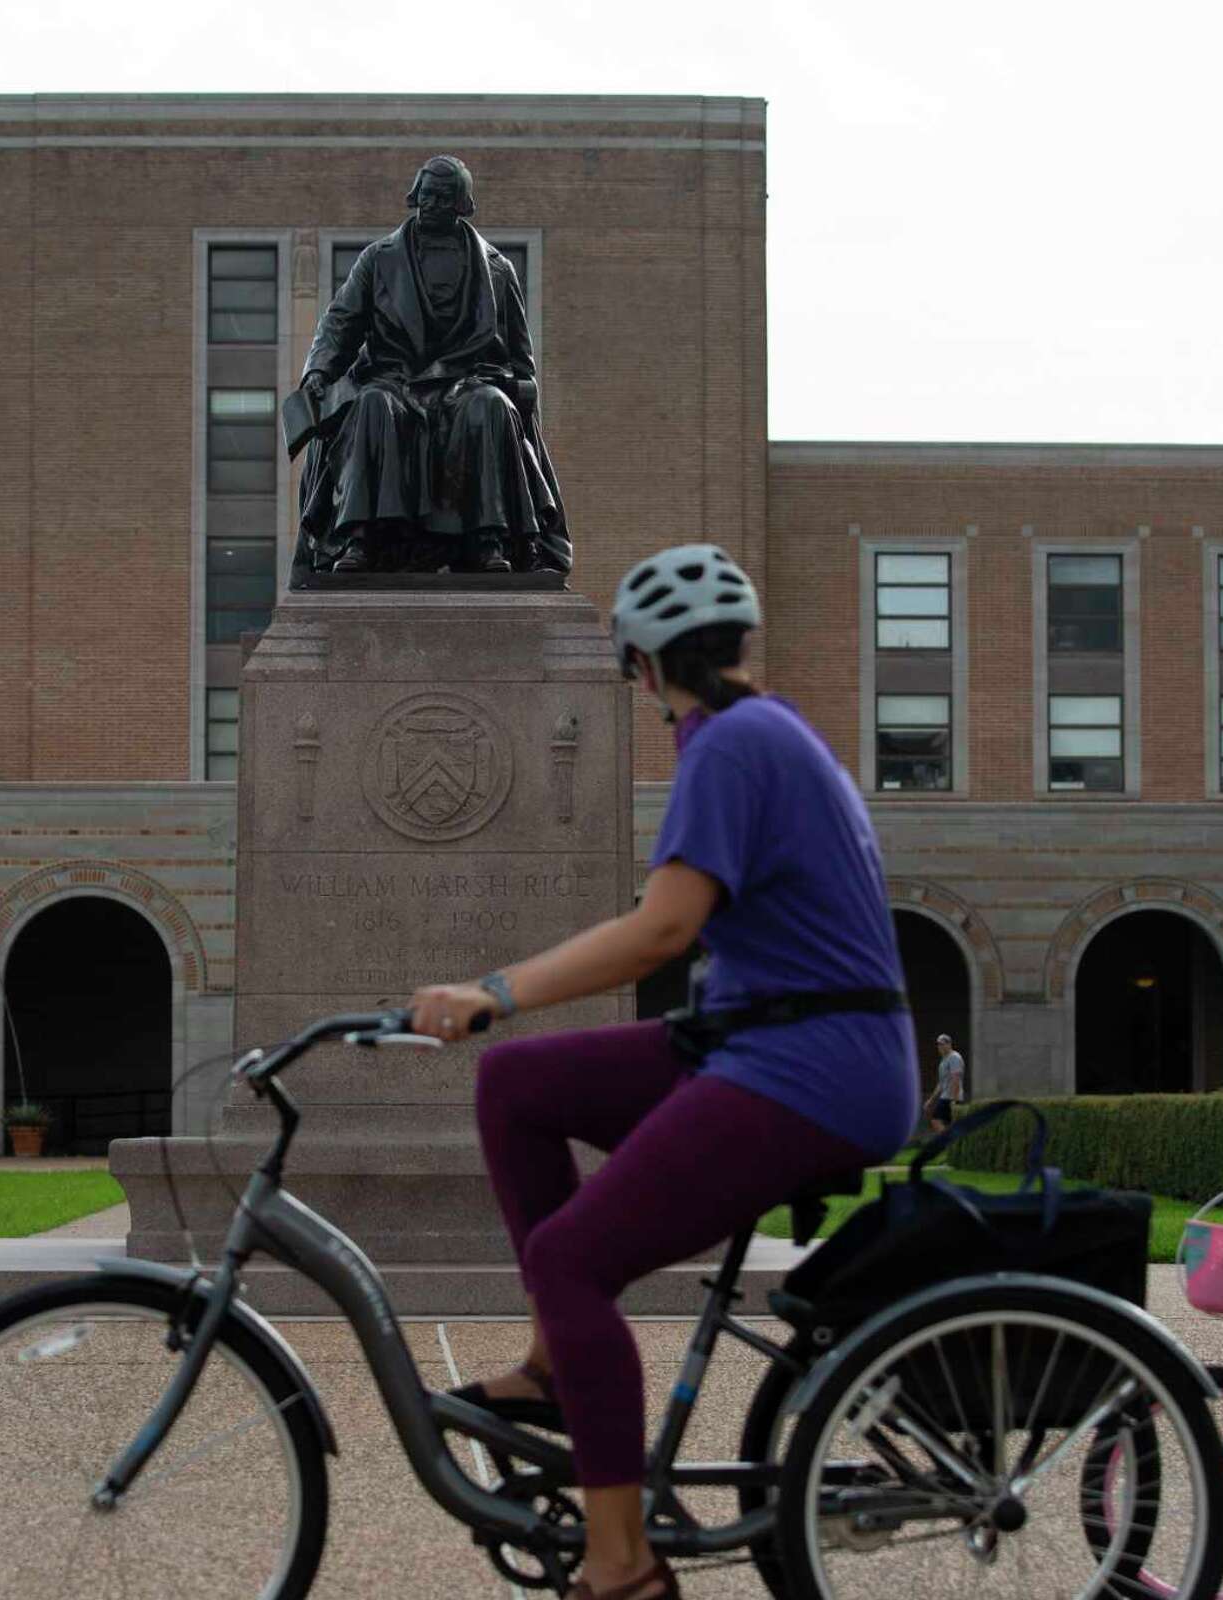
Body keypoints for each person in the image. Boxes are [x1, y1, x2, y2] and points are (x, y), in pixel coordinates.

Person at [409, 543, 919, 1600]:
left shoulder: (731, 746)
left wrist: (492, 990)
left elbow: (663, 932)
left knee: (572, 1255)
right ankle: (557, 1372)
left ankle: (623, 1562)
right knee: (517, 1088)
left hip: (808, 1065)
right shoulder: (767, 734)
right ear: (739, 644)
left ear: (643, 672)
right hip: (766, 1038)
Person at [293, 155, 572, 577]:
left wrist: (520, 387)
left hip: (467, 383)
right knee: (373, 406)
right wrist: (318, 372)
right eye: (426, 196)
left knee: (491, 406)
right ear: (414, 197)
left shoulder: (498, 269)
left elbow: (519, 357)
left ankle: (490, 540)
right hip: (395, 379)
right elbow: (340, 323)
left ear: (462, 204)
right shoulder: (377, 259)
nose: (432, 205)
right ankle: (361, 539)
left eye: (443, 198)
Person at [924, 1033, 966, 1134]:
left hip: (950, 1098)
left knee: (936, 1121)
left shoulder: (954, 1057)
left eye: (943, 1044)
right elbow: (941, 1084)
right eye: (939, 1044)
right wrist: (931, 1100)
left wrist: (954, 1101)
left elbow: (956, 1079)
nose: (941, 1047)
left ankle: (948, 1143)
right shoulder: (944, 1061)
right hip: (945, 1096)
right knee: (946, 1124)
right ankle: (951, 1143)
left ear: (949, 1044)